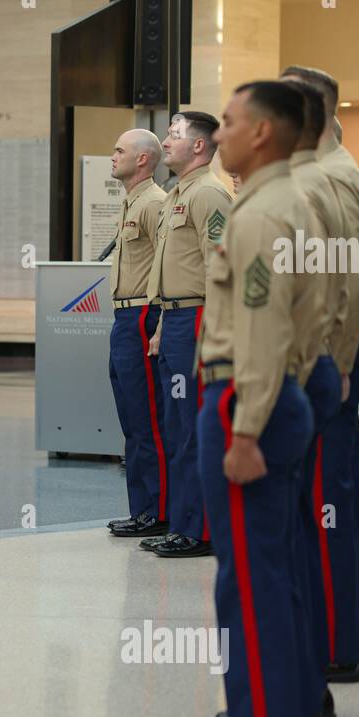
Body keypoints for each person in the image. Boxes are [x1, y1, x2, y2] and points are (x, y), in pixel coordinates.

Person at [175, 80, 322, 717]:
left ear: (262, 132)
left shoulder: (262, 215)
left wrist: (245, 430)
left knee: (250, 582)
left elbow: (263, 331)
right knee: (274, 571)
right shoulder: (285, 204)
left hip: (244, 399)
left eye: (229, 122)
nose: (219, 133)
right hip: (269, 394)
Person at [284, 63, 359, 684]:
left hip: (329, 362)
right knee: (316, 511)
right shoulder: (315, 172)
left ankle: (336, 648)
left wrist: (336, 368)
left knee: (325, 511)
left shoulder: (332, 179)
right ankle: (321, 641)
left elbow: (351, 280)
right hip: (318, 357)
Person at [141, 112, 231, 559]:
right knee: (177, 430)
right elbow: (171, 270)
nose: (165, 141)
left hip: (199, 321)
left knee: (195, 430)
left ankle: (201, 530)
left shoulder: (209, 194)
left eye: (174, 136)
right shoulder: (179, 193)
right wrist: (160, 325)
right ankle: (182, 521)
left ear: (198, 146)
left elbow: (219, 270)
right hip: (174, 320)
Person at [105, 129, 169, 539]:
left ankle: (158, 510)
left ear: (143, 159)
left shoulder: (154, 204)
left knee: (148, 422)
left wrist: (158, 323)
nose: (112, 157)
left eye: (119, 151)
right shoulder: (132, 201)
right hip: (124, 318)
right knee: (131, 420)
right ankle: (141, 508)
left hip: (143, 315)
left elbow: (166, 267)